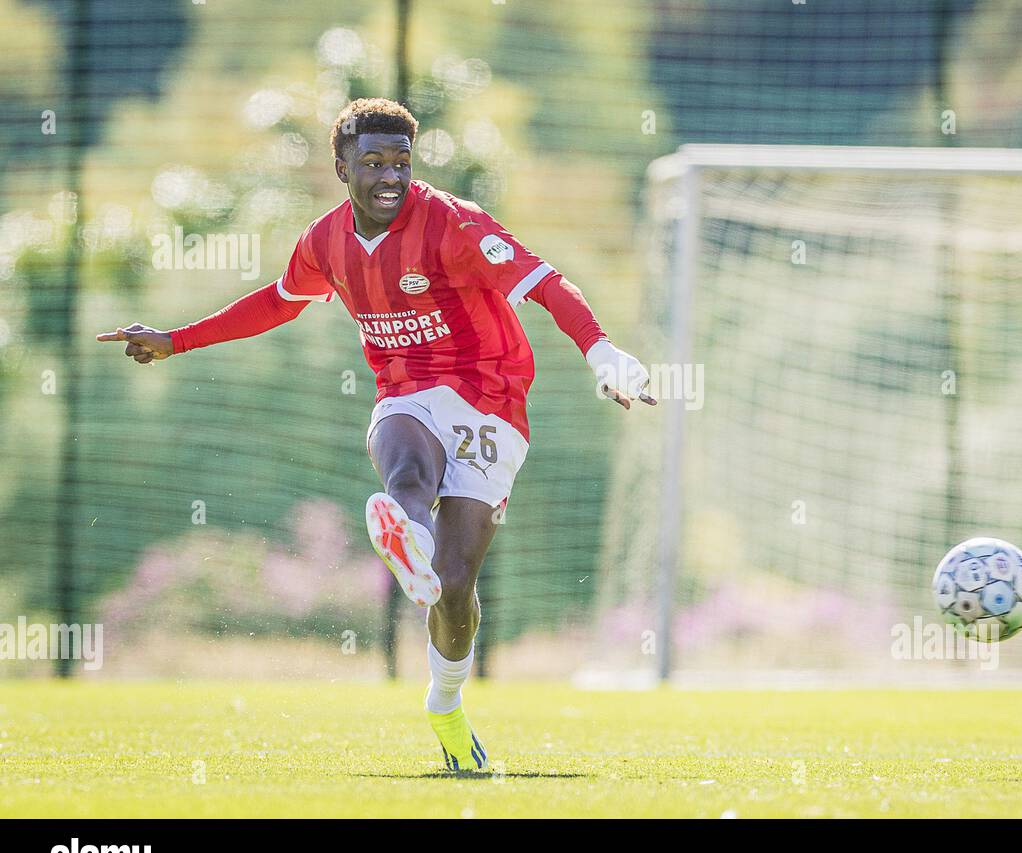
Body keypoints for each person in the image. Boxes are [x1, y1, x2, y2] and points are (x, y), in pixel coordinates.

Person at [97, 97, 655, 771]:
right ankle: (405, 526)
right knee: (405, 461)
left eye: (401, 162)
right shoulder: (325, 241)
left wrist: (602, 352)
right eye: (373, 162)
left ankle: (445, 701)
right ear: (341, 167)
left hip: (491, 400)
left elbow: (546, 283)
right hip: (406, 391)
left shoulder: (454, 223)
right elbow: (278, 300)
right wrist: (175, 341)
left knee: (454, 588)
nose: (391, 176)